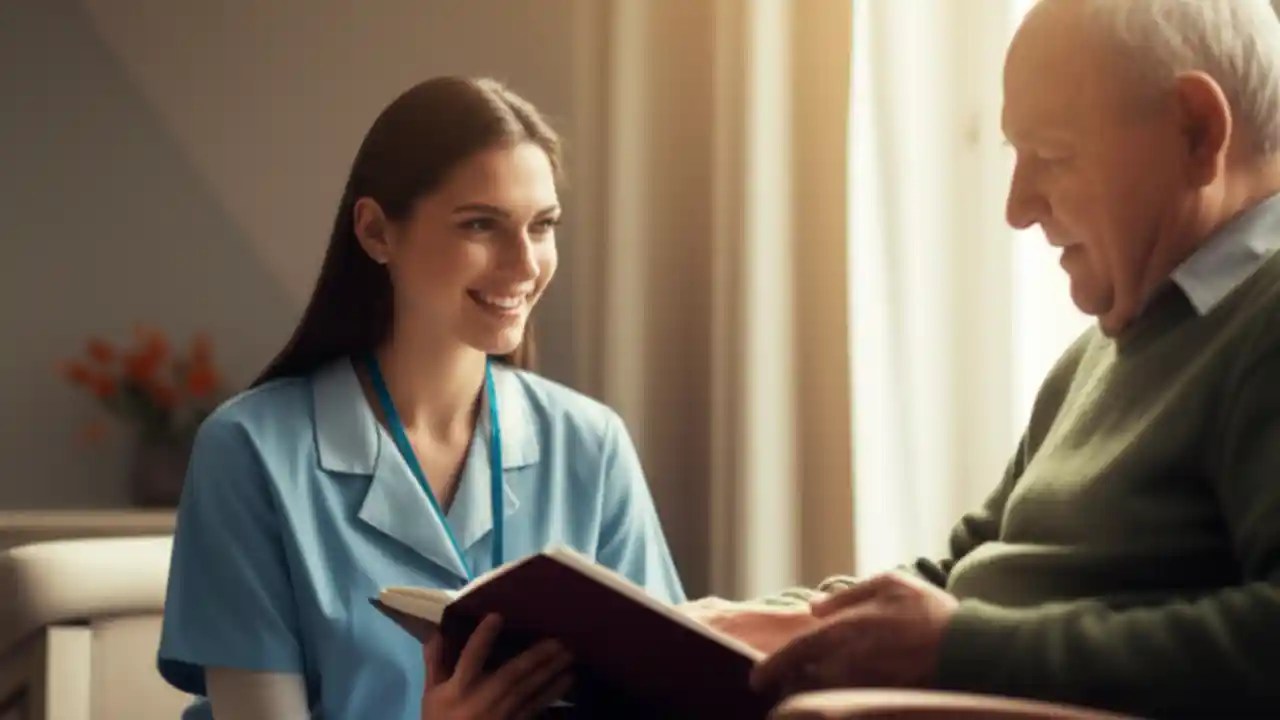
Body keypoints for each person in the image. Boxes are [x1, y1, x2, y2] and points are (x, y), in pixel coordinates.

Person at [683, 0, 1280, 716]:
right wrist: (791, 621)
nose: (1018, 206)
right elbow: (959, 570)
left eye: (1052, 156)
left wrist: (962, 649)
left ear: (1196, 129)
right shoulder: (1101, 351)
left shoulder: (1264, 322)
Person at [156, 76, 685, 720]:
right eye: (482, 225)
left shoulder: (591, 445)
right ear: (377, 231)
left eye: (542, 226)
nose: (523, 264)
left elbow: (662, 696)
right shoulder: (250, 451)